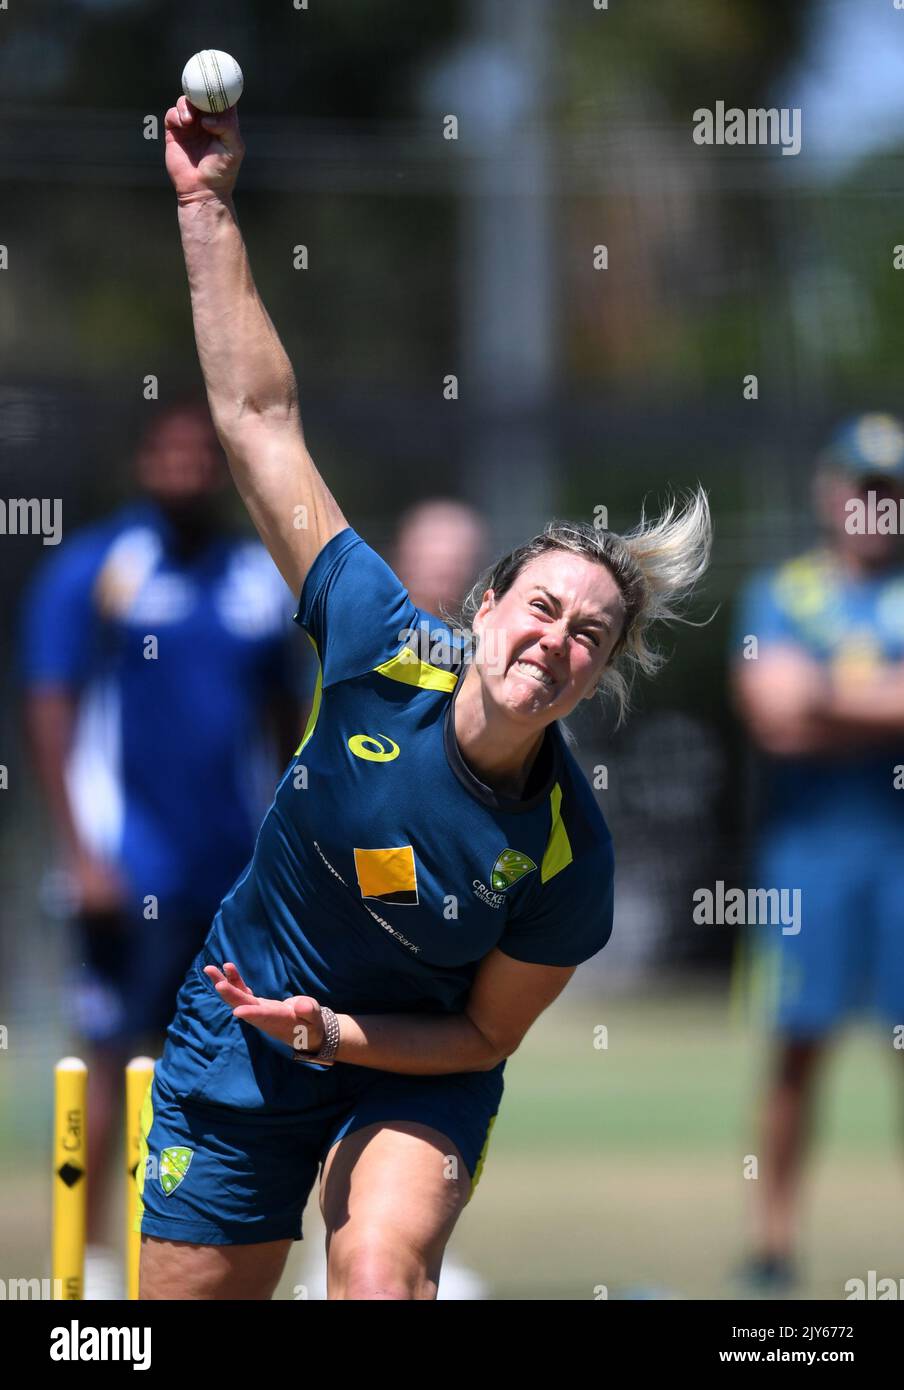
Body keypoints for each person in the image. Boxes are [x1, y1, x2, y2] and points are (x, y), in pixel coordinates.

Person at [135, 93, 711, 1301]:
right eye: (543, 610)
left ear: (595, 679)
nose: (555, 643)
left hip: (407, 1063)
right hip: (241, 1021)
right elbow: (258, 419)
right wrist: (204, 205)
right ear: (488, 607)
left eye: (588, 639)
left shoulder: (564, 858)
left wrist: (339, 1035)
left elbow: (484, 1036)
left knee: (381, 1268)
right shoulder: (374, 634)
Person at [21, 398, 306, 1293]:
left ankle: (241, 1257)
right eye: (168, 452)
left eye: (201, 454)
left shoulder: (255, 578)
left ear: (220, 468)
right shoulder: (100, 569)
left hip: (232, 876)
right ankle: (95, 1261)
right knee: (111, 1056)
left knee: (254, 1063)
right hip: (126, 865)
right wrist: (82, 852)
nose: (185, 468)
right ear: (144, 461)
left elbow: (289, 718)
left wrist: (292, 845)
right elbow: (50, 705)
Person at [731, 413, 904, 1292]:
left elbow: (803, 707)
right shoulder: (782, 593)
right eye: (861, 489)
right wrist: (879, 701)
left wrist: (823, 695)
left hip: (900, 858)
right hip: (810, 859)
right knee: (797, 1049)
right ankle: (772, 1245)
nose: (873, 508)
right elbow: (771, 715)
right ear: (830, 492)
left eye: (890, 494)